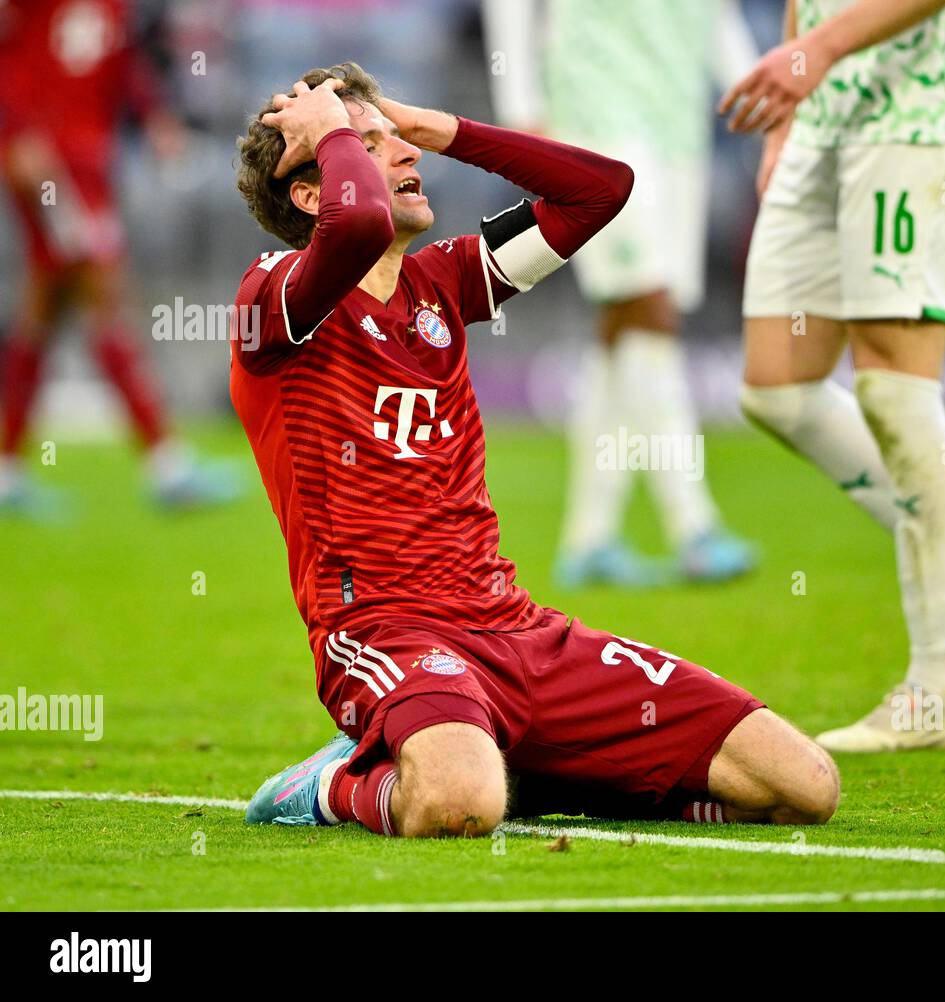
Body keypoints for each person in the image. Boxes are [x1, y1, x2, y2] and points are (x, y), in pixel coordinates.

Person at [232, 64, 838, 836]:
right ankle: (327, 785)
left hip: (516, 631)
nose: (407, 158)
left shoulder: (444, 284)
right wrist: (334, 130)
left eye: (395, 141)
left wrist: (435, 126)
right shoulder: (272, 299)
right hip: (389, 635)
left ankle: (530, 764)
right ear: (313, 195)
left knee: (803, 786)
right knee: (458, 806)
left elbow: (600, 190)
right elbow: (357, 230)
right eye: (371, 146)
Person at [720, 0, 945, 751]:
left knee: (894, 388)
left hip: (919, 118)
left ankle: (937, 692)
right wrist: (787, 116)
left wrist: (814, 52)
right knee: (776, 389)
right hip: (820, 117)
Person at [483, 0, 758, 586]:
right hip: (592, 119)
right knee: (648, 304)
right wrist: (521, 108)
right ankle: (695, 525)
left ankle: (590, 538)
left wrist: (750, 90)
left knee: (626, 319)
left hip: (678, 128)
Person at [0, 0, 239, 515]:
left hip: (89, 161)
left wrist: (155, 119)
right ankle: (167, 465)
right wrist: (13, 133)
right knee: (104, 295)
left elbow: (121, 63)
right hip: (47, 161)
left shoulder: (115, 7)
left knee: (46, 305)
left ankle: (7, 471)